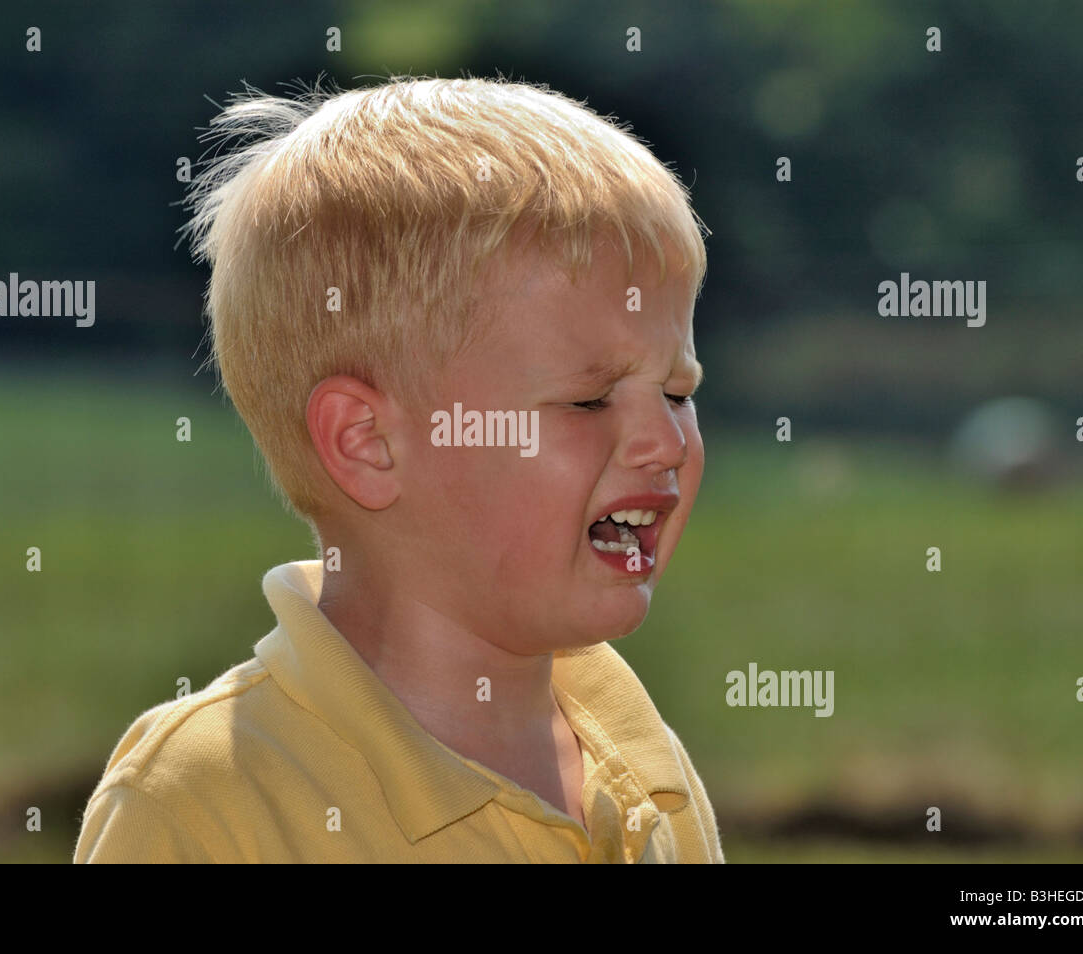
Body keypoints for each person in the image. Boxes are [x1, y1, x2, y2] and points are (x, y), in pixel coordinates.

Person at [74, 74, 723, 863]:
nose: (665, 439)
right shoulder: (205, 803)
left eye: (678, 390)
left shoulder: (646, 770)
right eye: (590, 401)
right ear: (367, 443)